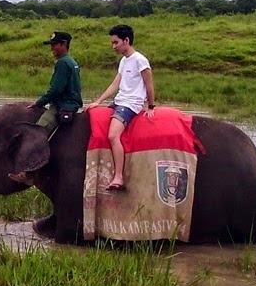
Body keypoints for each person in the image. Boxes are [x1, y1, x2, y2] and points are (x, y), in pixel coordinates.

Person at [87, 24, 156, 191]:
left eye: (116, 42)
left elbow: (149, 83)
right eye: (112, 43)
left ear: (126, 40)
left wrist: (151, 106)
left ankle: (118, 176)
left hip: (130, 104)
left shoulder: (140, 60)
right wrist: (99, 101)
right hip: (120, 101)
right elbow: (115, 84)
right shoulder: (124, 61)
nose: (114, 46)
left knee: (112, 136)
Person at [8, 31, 82, 184]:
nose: (52, 48)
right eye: (51, 45)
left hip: (61, 106)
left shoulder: (62, 63)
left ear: (64, 44)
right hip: (72, 104)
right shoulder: (72, 62)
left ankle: (28, 173)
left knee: (36, 134)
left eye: (55, 45)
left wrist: (39, 102)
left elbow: (55, 89)